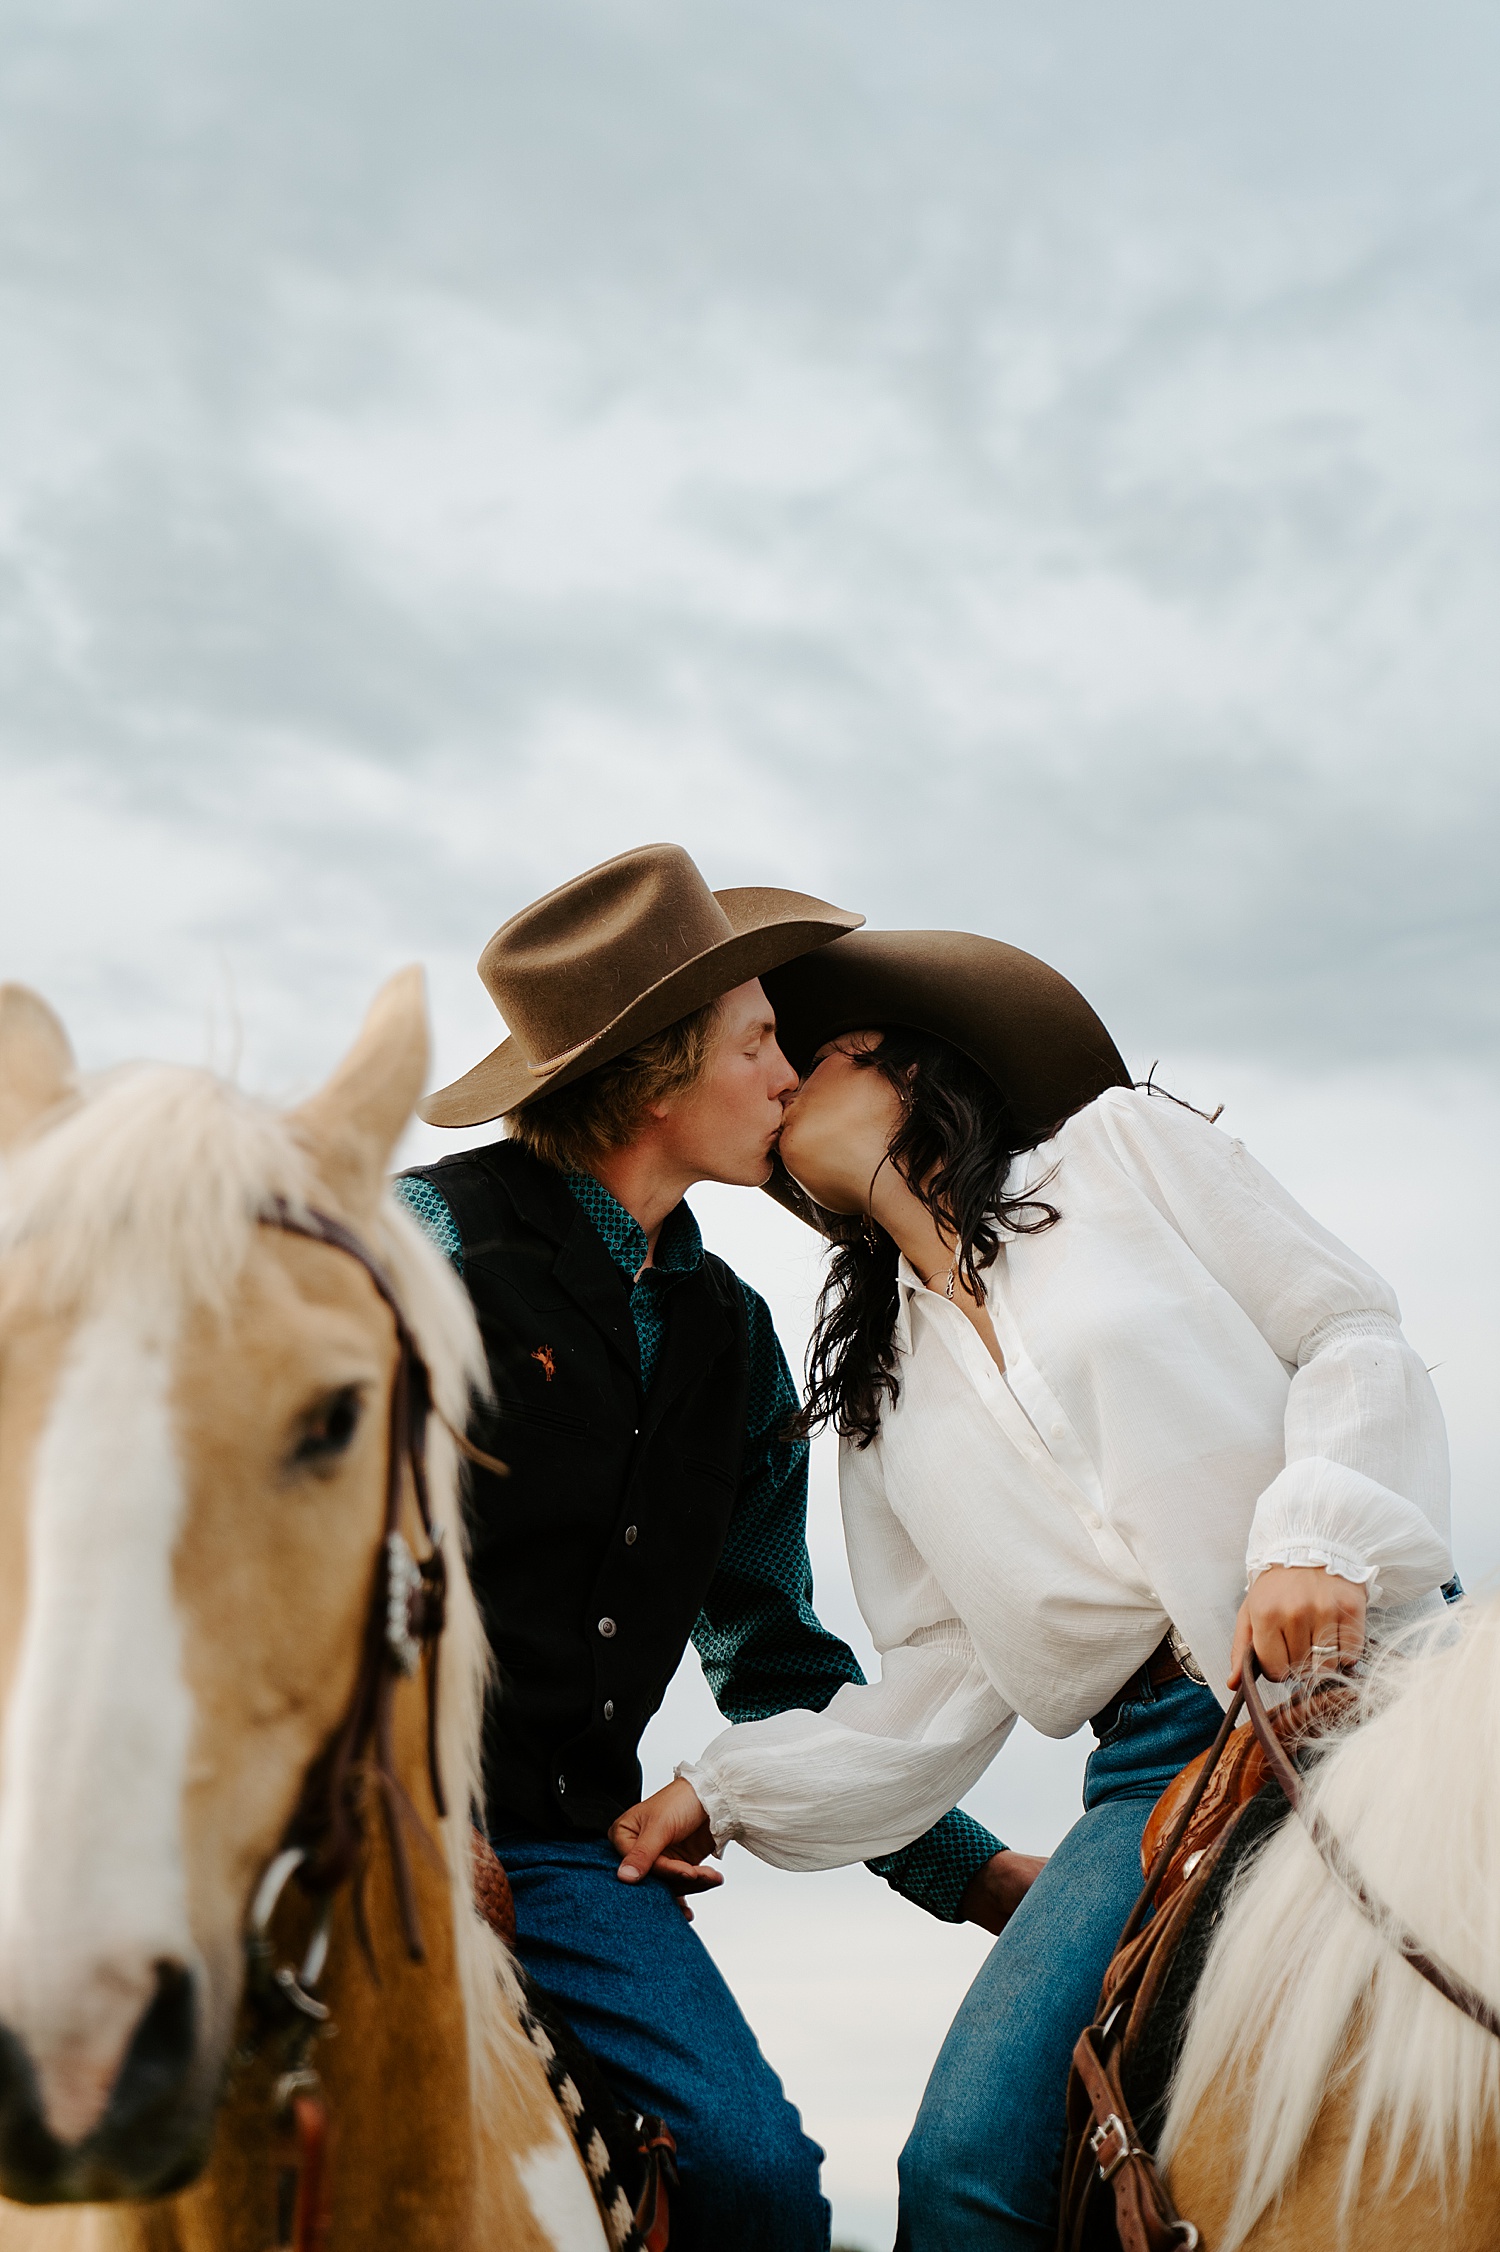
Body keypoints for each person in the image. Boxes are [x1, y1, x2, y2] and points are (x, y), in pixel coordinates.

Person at [609, 926, 1455, 2251]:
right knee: (960, 2171)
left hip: (1387, 1680)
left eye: (799, 1053)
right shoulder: (875, 1399)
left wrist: (1315, 1537)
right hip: (1157, 1773)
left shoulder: (1126, 1154)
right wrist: (717, 1790)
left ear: (889, 1058)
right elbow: (942, 1680)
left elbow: (1345, 1327)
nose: (771, 1087)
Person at [392, 850, 1016, 2252]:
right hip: (346, 1814)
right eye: (759, 1044)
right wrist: (413, 1810)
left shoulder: (736, 1342)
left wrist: (973, 1879)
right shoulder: (419, 1245)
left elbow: (775, 1665)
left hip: (565, 1858)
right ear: (661, 1082)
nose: (792, 1075)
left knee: (755, 2185)